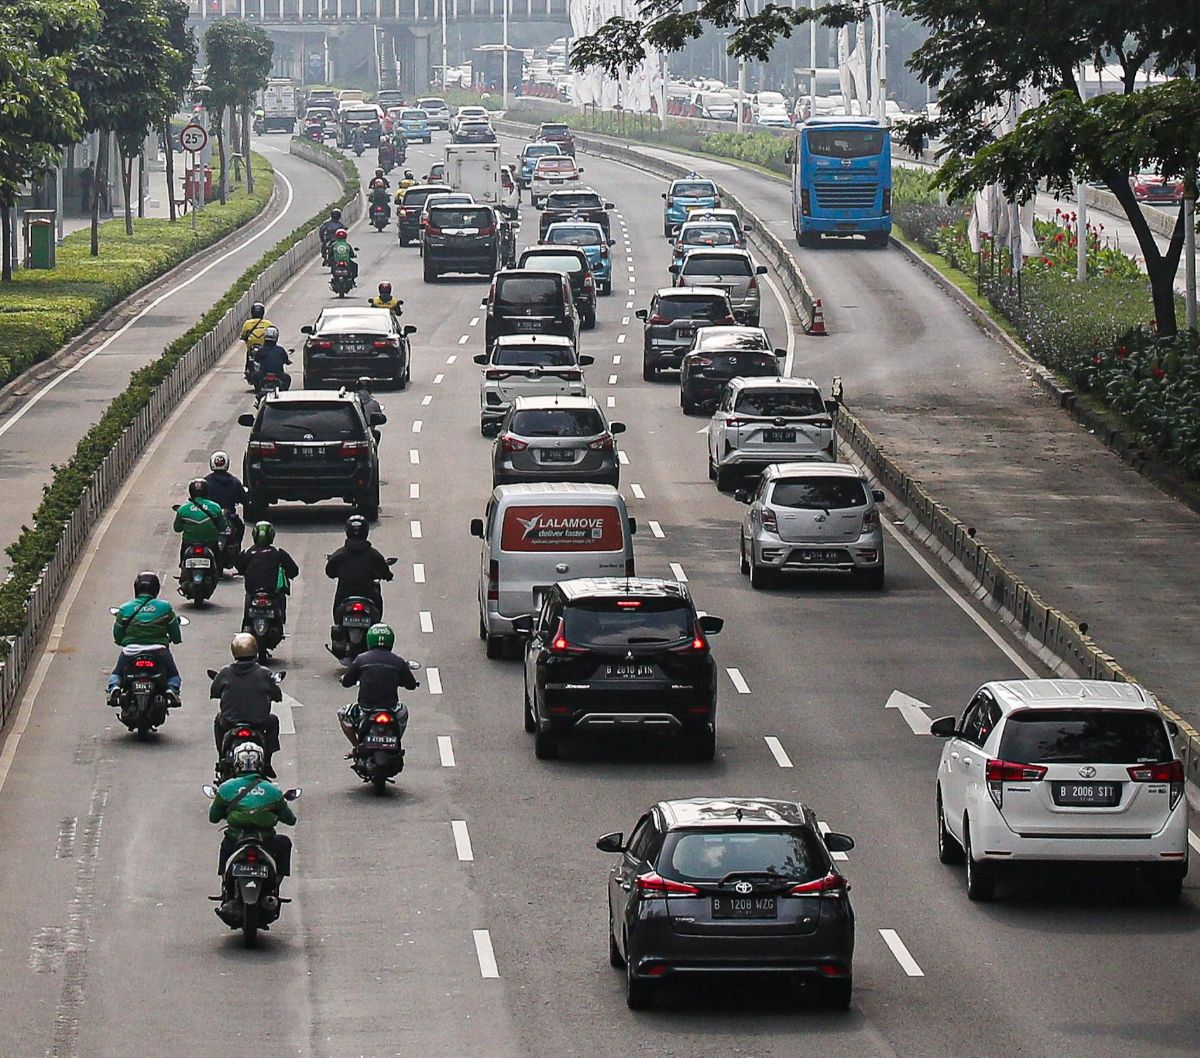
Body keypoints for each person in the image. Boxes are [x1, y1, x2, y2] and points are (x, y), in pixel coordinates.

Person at [209, 743, 295, 906]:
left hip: (235, 840)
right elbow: (290, 819)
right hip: (266, 841)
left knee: (225, 846)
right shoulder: (272, 790)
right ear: (261, 763)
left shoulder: (226, 788)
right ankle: (275, 885)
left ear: (236, 763)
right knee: (285, 843)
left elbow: (213, 817)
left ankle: (225, 887)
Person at [211, 633, 281, 777]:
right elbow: (277, 695)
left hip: (230, 722)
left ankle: (221, 757)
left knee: (218, 720)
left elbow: (214, 692)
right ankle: (267, 761)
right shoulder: (264, 673)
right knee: (273, 720)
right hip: (259, 723)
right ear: (255, 650)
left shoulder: (225, 672)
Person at [337, 623, 417, 749]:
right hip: (391, 708)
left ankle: (356, 747)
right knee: (404, 711)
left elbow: (347, 682)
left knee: (343, 713)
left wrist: (345, 680)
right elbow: (411, 684)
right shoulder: (398, 661)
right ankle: (395, 742)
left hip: (366, 708)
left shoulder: (361, 659)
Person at [108, 571, 182, 703]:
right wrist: (176, 640)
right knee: (173, 676)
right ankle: (172, 690)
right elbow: (174, 632)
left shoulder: (125, 609)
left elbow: (117, 635)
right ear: (156, 589)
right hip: (158, 651)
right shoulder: (165, 607)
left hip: (131, 651)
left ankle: (114, 687)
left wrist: (122, 642)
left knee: (116, 674)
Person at [325, 514, 393, 620]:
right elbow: (384, 571)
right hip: (369, 593)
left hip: (345, 593)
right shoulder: (374, 555)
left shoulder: (340, 554)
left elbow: (329, 571)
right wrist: (388, 575)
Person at [235, 521, 300, 626]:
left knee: (247, 619)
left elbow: (238, 566)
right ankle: (280, 623)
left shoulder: (247, 552)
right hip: (273, 593)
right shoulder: (278, 553)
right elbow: (294, 570)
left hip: (252, 592)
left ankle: (246, 626)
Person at [173, 478, 228, 562]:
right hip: (211, 542)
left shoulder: (182, 509)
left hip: (189, 542)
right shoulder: (215, 507)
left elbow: (177, 529)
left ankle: (182, 564)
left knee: (183, 553)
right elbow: (223, 527)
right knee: (217, 560)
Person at [205, 451, 247, 556]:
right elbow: (244, 499)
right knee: (240, 528)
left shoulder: (206, 481)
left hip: (210, 517)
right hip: (229, 517)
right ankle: (237, 552)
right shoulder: (234, 482)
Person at [252, 326, 291, 391]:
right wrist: (287, 362)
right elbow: (286, 360)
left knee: (254, 375)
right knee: (287, 379)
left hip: (263, 373)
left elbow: (256, 359)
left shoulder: (261, 350)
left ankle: (258, 390)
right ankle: (284, 393)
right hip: (278, 373)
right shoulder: (280, 350)